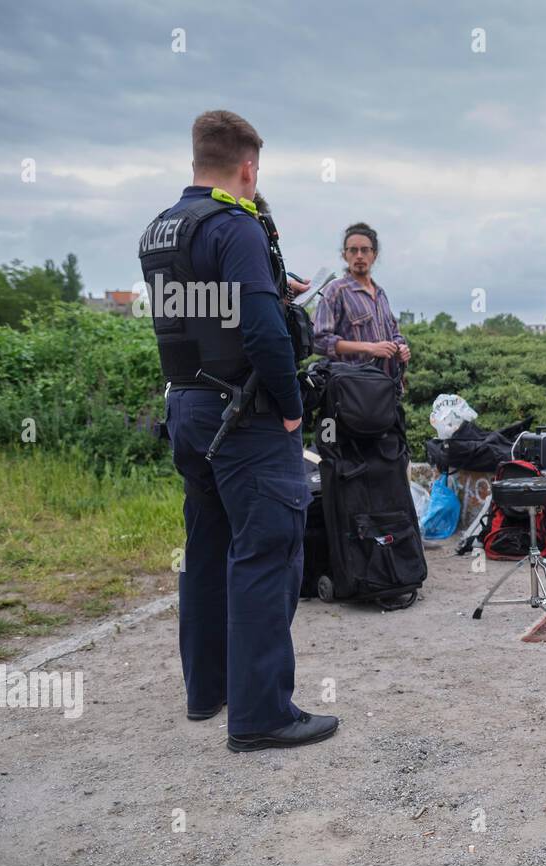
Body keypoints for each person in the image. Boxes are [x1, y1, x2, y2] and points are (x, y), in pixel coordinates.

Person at [139, 110, 337, 749]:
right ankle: (262, 716)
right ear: (248, 167)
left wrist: (273, 287)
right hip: (245, 417)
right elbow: (260, 332)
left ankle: (208, 692)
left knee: (206, 552)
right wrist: (291, 407)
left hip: (189, 408)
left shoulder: (163, 228)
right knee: (266, 553)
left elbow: (204, 313)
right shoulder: (237, 225)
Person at [313, 222, 410, 390]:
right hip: (353, 392)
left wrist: (401, 349)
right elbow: (319, 341)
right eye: (353, 250)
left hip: (387, 391)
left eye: (365, 250)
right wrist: (370, 348)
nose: (359, 256)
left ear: (374, 255)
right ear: (344, 255)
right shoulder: (336, 291)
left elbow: (395, 335)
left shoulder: (380, 294)